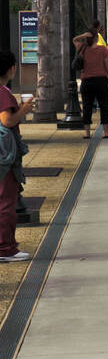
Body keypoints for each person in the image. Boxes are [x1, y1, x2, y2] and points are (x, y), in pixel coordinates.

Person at [0, 48, 34, 261]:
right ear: (11, 69)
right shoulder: (3, 93)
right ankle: (6, 248)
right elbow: (7, 121)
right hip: (5, 156)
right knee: (6, 202)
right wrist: (25, 109)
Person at [79, 31, 108, 139]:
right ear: (96, 38)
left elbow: (74, 40)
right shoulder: (102, 49)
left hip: (86, 82)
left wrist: (83, 35)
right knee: (104, 106)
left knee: (87, 106)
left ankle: (87, 132)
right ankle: (106, 132)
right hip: (101, 81)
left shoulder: (83, 49)